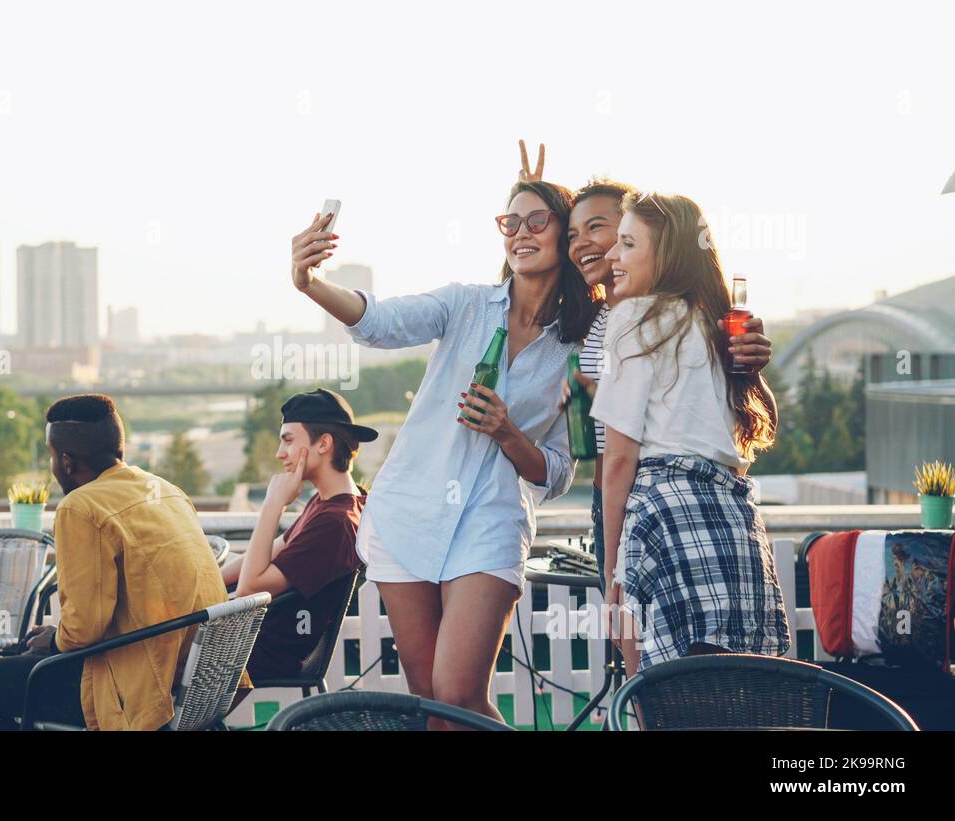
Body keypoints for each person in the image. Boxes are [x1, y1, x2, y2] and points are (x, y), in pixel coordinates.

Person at [289, 163, 592, 726]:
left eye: (538, 220)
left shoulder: (581, 345)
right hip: (408, 514)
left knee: (457, 690)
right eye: (511, 222)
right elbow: (380, 321)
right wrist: (310, 283)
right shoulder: (467, 305)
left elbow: (556, 472)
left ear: (566, 231)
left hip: (491, 524)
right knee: (435, 705)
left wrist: (505, 429)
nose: (521, 233)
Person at [0, 393, 239, 731]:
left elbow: (84, 629)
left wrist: (52, 641)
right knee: (17, 668)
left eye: (52, 458)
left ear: (66, 461)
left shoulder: (80, 507)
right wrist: (56, 638)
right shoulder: (167, 491)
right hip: (194, 678)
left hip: (135, 689)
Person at [591, 192, 791, 677]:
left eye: (628, 243)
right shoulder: (717, 325)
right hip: (737, 523)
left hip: (664, 515)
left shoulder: (632, 319)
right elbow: (754, 426)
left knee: (658, 700)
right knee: (738, 701)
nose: (613, 256)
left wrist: (613, 575)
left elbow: (618, 460)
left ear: (666, 256)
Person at [559, 177, 775, 586]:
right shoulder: (605, 316)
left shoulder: (640, 317)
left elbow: (749, 412)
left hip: (646, 497)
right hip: (722, 508)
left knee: (645, 640)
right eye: (572, 234)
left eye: (600, 228)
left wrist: (752, 366)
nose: (593, 245)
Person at [221, 389, 371, 703]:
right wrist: (209, 577)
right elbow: (272, 550)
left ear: (324, 444)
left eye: (288, 440)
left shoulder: (335, 522)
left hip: (249, 650)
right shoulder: (332, 502)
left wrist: (272, 505)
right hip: (244, 638)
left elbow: (251, 588)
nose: (280, 452)